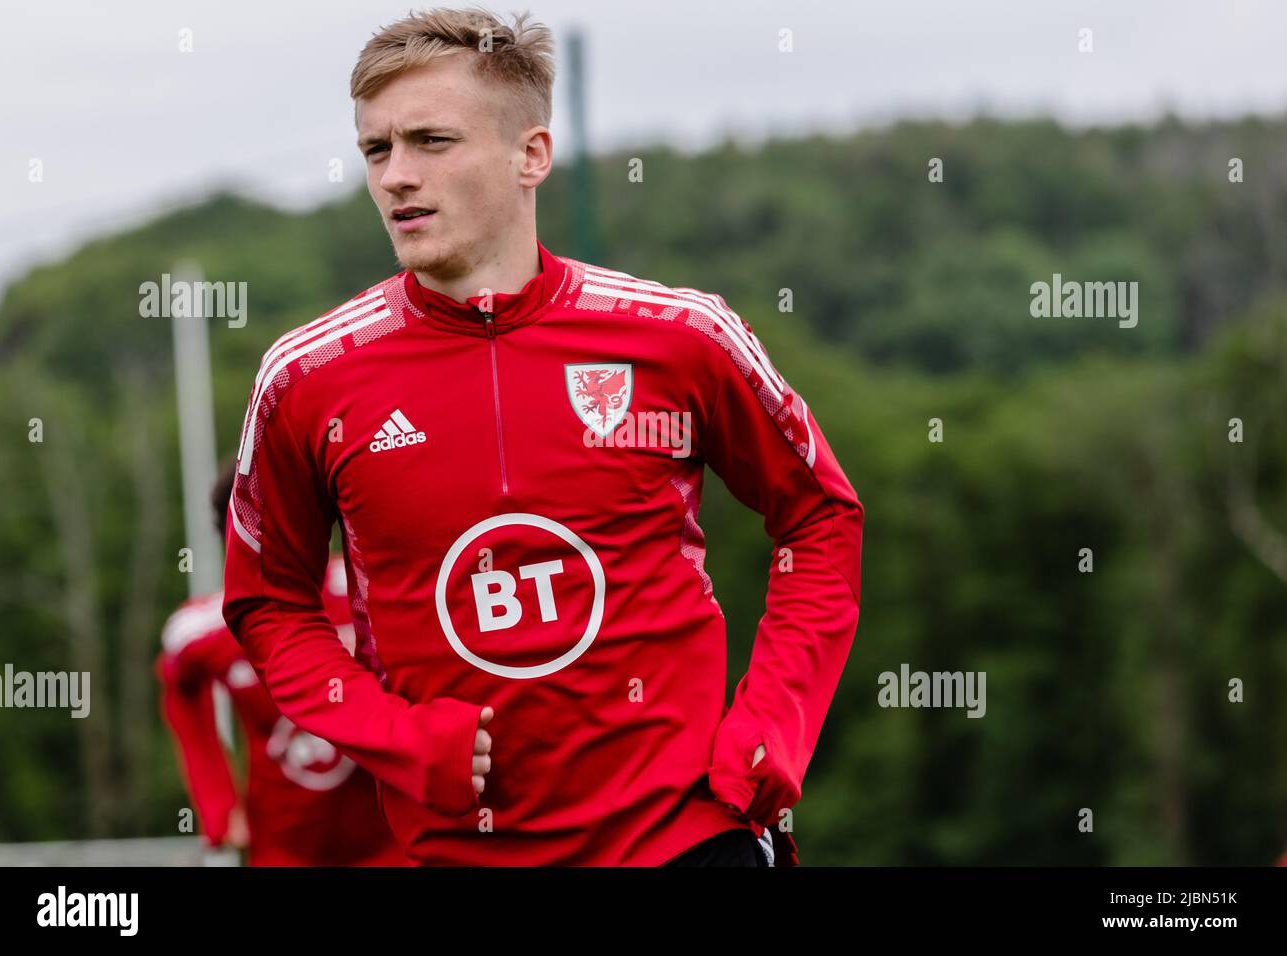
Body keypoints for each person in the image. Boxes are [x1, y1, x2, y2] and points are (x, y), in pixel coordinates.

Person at [222, 7, 863, 866]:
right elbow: (269, 602)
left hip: (687, 841)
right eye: (378, 150)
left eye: (431, 142)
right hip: (451, 853)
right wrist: (397, 736)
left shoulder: (682, 336)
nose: (395, 178)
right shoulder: (307, 378)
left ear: (531, 154)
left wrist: (770, 732)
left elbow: (819, 519)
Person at [158, 462, 407, 866]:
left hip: (392, 847)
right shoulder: (204, 631)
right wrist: (219, 806)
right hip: (284, 850)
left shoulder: (369, 592)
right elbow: (181, 695)